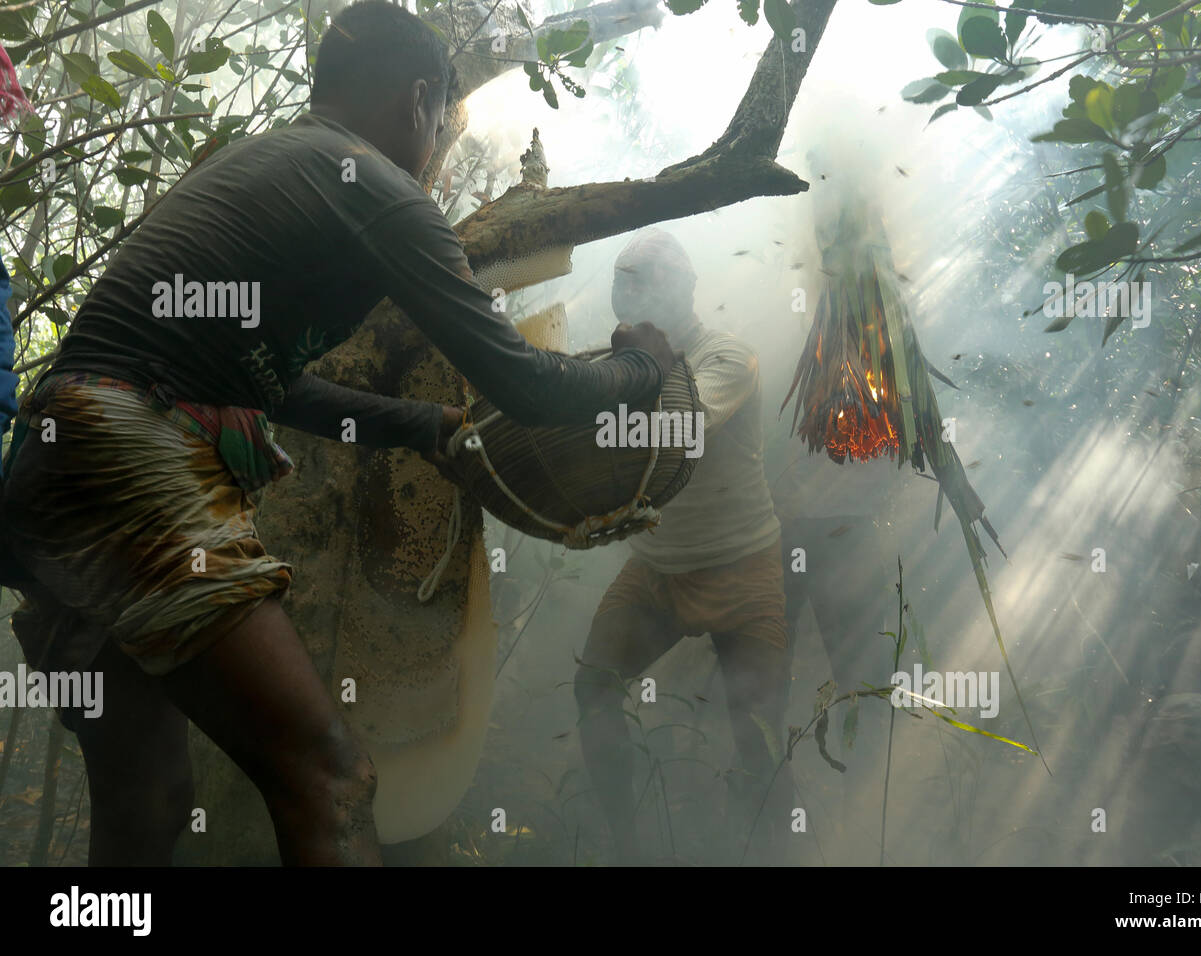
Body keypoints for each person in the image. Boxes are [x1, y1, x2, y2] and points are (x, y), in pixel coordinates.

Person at [0, 0, 674, 866]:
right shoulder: (376, 185)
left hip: (55, 473)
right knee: (333, 779)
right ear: (419, 98)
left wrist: (424, 424)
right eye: (441, 120)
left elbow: (271, 386)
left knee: (149, 803)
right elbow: (528, 385)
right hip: (129, 450)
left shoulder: (277, 159)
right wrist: (642, 372)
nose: (435, 142)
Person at [573, 228, 792, 864]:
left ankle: (769, 853)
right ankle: (627, 845)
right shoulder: (614, 366)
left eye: (648, 279)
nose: (631, 291)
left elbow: (682, 428)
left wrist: (631, 373)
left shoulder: (730, 358)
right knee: (594, 688)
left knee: (760, 738)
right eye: (624, 278)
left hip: (742, 569)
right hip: (656, 571)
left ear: (690, 289)